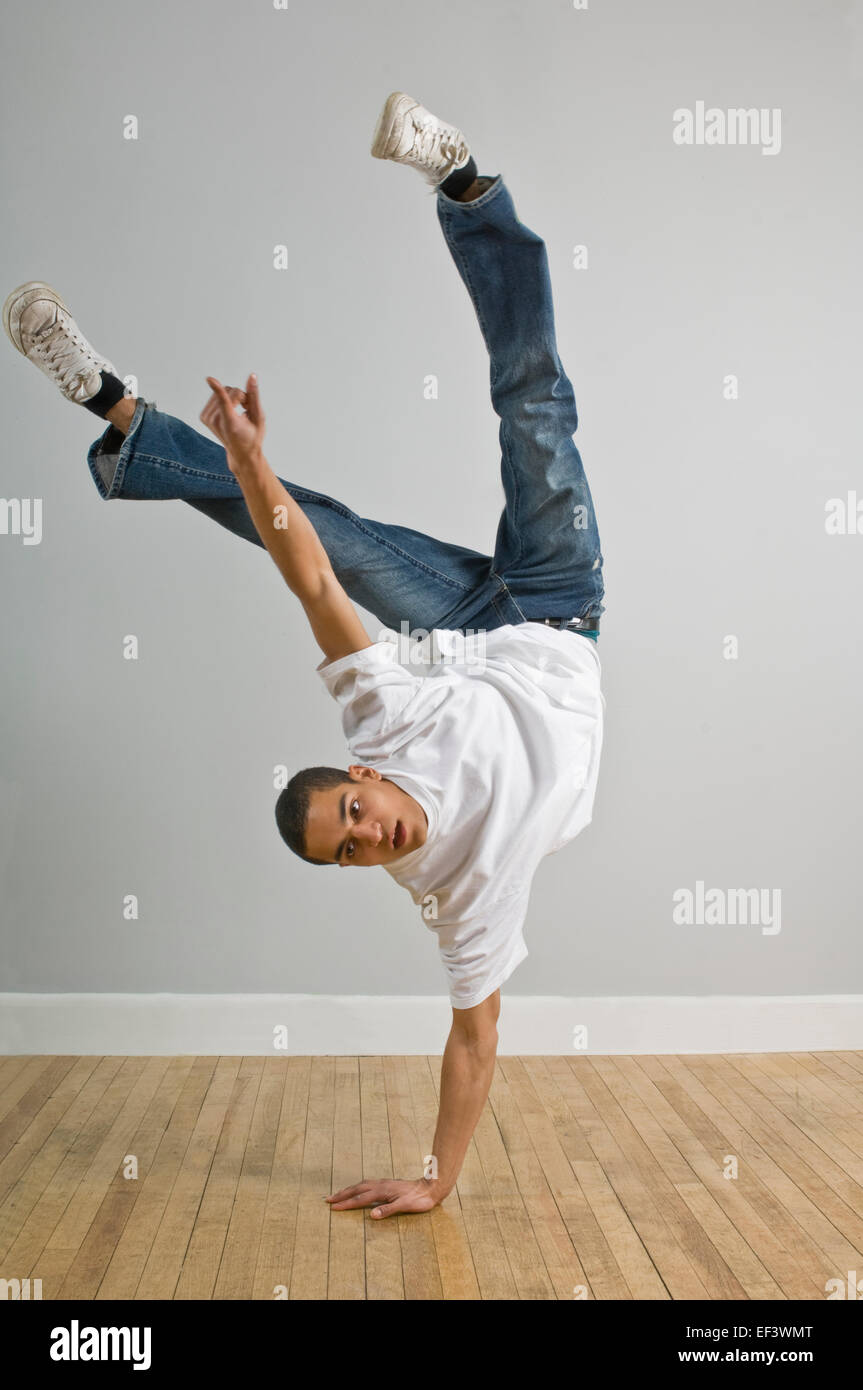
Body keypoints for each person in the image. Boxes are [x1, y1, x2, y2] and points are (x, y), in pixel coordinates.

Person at [4, 92, 605, 1219]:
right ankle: (131, 428)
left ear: (364, 775)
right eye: (352, 853)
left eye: (351, 816)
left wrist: (247, 455)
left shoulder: (384, 726)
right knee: (539, 414)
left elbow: (310, 575)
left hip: (468, 630)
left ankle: (464, 186)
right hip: (558, 615)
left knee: (309, 524)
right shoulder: (462, 895)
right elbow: (473, 1042)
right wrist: (437, 1179)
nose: (369, 838)